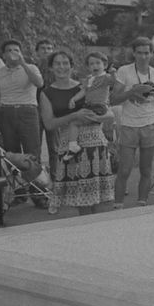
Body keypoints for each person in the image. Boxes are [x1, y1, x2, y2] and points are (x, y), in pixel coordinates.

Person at [39, 50, 115, 215]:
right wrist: (74, 115)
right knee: (83, 201)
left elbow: (109, 112)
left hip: (95, 142)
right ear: (51, 68)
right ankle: (86, 234)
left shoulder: (86, 84)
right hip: (70, 146)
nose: (62, 67)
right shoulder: (46, 93)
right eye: (57, 63)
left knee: (101, 200)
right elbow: (49, 124)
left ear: (72, 66)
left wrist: (99, 116)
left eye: (65, 63)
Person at [111, 36, 154, 207]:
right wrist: (133, 91)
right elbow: (113, 99)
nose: (143, 56)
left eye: (147, 53)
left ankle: (142, 204)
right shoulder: (124, 71)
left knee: (146, 169)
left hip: (150, 124)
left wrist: (153, 92)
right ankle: (118, 205)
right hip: (129, 125)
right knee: (124, 170)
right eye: (140, 53)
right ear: (134, 53)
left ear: (152, 54)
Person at [0, 39, 45, 205]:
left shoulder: (31, 68)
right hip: (6, 112)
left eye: (16, 49)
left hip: (27, 110)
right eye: (9, 50)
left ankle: (39, 194)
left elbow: (39, 83)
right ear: (4, 55)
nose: (13, 52)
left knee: (32, 153)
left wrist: (22, 63)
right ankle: (19, 192)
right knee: (11, 154)